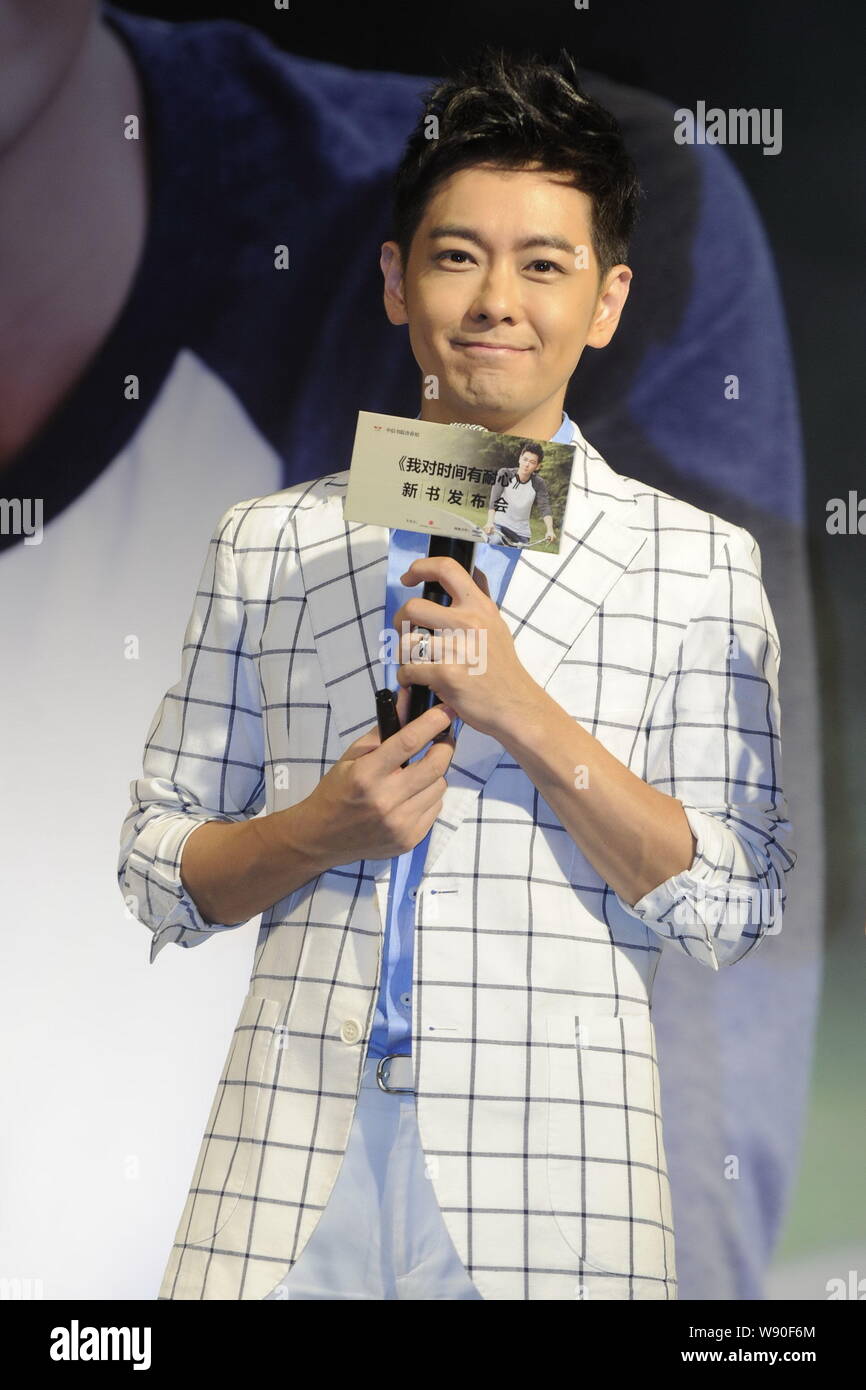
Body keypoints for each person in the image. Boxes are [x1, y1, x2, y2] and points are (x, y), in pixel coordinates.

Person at [118, 47, 797, 1301]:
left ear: (605, 301)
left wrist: (523, 713)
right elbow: (160, 872)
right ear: (393, 281)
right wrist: (316, 828)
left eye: (543, 264)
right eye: (455, 254)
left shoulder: (696, 564)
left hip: (550, 1201)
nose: (496, 298)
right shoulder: (269, 542)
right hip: (286, 1183)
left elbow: (734, 900)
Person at [483, 441, 556, 546]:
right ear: (519, 459)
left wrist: (550, 530)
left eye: (532, 462)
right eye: (525, 459)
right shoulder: (505, 473)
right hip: (499, 526)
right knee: (495, 543)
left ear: (538, 466)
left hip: (522, 533)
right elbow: (494, 500)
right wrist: (490, 522)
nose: (527, 464)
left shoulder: (538, 483)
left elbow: (544, 507)